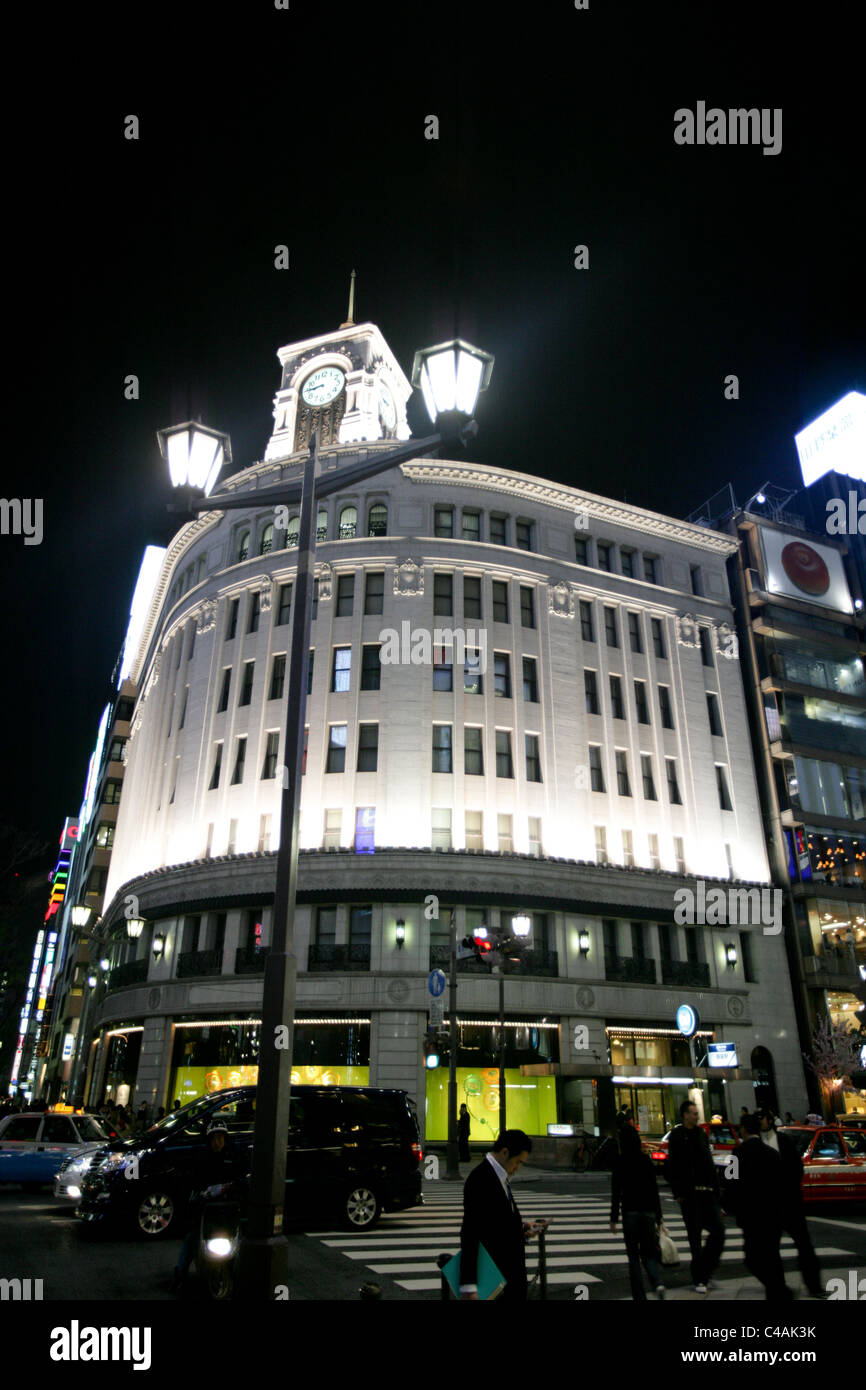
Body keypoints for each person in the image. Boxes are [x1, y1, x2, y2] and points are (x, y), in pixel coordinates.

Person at [459, 1130, 546, 1301]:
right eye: (517, 1162)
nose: (517, 1168)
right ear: (505, 1152)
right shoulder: (481, 1178)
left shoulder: (499, 1176)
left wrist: (523, 1229)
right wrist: (469, 1286)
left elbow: (495, 1224)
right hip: (495, 1278)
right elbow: (470, 1233)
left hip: (506, 1278)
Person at [171, 1120, 248, 1293]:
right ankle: (180, 1274)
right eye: (215, 1138)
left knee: (240, 1238)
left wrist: (237, 1188)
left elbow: (242, 1177)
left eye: (221, 1138)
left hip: (228, 1211)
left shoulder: (233, 1156)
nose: (218, 1142)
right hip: (205, 1211)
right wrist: (195, 1194)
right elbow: (191, 1179)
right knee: (191, 1237)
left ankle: (241, 1275)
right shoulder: (201, 1158)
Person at [760, 1109, 824, 1299]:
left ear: (770, 1120)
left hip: (789, 1201)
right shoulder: (755, 1144)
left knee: (804, 1246)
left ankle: (814, 1285)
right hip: (771, 1204)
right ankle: (779, 1288)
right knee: (771, 1250)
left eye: (761, 1118)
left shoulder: (783, 1141)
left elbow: (797, 1167)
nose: (759, 1122)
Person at [727, 1113, 790, 1301]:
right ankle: (778, 1293)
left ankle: (780, 1292)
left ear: (744, 1130)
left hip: (751, 1216)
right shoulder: (773, 1154)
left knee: (752, 1258)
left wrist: (728, 1206)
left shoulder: (737, 1154)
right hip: (773, 1214)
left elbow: (731, 1183)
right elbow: (782, 1185)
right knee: (773, 1257)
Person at [665, 1099, 725, 1294]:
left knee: (718, 1231)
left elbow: (709, 1163)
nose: (696, 1116)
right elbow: (672, 1165)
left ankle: (705, 1269)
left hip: (706, 1192)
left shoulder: (701, 1134)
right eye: (692, 1113)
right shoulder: (677, 1135)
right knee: (694, 1238)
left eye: (696, 1112)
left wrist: (717, 1193)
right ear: (685, 1115)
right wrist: (678, 1192)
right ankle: (699, 1278)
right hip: (689, 1195)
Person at [610, 1123, 665, 1300]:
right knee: (649, 1254)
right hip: (648, 1212)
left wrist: (613, 1218)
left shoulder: (620, 1162)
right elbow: (654, 1189)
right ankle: (657, 1283)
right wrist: (659, 1216)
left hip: (630, 1212)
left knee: (633, 1257)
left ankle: (639, 1297)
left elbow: (616, 1192)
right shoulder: (645, 1161)